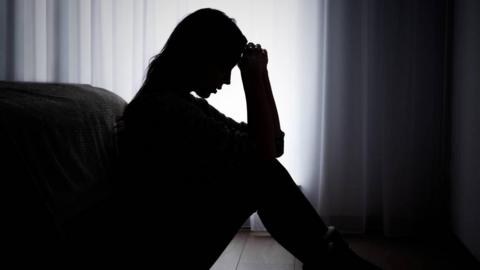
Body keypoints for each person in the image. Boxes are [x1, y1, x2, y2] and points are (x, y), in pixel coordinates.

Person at [115, 8, 381, 269]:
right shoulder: (162, 108)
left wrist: (262, 77)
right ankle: (333, 260)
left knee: (262, 171)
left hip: (176, 230)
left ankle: (331, 259)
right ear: (201, 58)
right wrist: (252, 80)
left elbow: (272, 145)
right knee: (261, 175)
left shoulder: (182, 102)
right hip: (160, 247)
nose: (228, 80)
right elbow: (263, 153)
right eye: (224, 68)